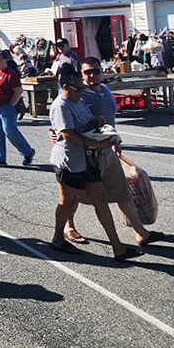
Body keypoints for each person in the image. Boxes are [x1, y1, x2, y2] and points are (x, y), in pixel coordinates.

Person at [59, 56, 166, 247]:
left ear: (102, 72)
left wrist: (115, 140)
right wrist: (56, 132)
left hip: (106, 149)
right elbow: (62, 118)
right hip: (86, 154)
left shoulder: (105, 90)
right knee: (73, 193)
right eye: (87, 72)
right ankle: (68, 226)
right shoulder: (78, 94)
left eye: (96, 71)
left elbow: (109, 119)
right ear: (81, 75)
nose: (92, 75)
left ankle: (140, 232)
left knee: (122, 191)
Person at [49, 64, 143, 261]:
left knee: (99, 200)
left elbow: (87, 122)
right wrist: (98, 144)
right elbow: (68, 135)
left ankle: (118, 247)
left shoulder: (78, 100)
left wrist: (98, 121)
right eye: (77, 89)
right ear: (65, 87)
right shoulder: (61, 105)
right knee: (67, 202)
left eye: (82, 89)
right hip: (70, 162)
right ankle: (58, 237)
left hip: (88, 160)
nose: (80, 93)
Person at [0, 49, 35, 167]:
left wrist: (10, 105)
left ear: (5, 60)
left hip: (6, 107)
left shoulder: (10, 74)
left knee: (10, 131)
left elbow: (18, 91)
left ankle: (28, 152)